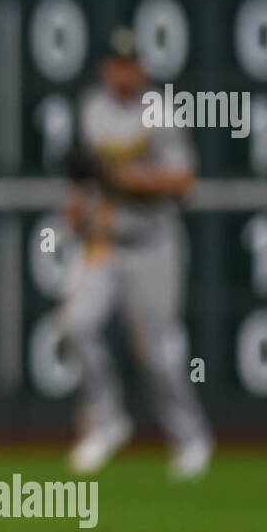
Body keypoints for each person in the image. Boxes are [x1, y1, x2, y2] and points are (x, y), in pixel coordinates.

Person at [61, 28, 214, 481]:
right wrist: (76, 202)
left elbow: (183, 181)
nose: (123, 71)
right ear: (105, 68)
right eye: (116, 63)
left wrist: (122, 178)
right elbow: (87, 174)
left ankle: (190, 438)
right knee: (77, 326)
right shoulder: (93, 109)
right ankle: (107, 421)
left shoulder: (161, 112)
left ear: (141, 69)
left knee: (159, 349)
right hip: (107, 241)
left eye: (131, 63)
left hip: (154, 245)